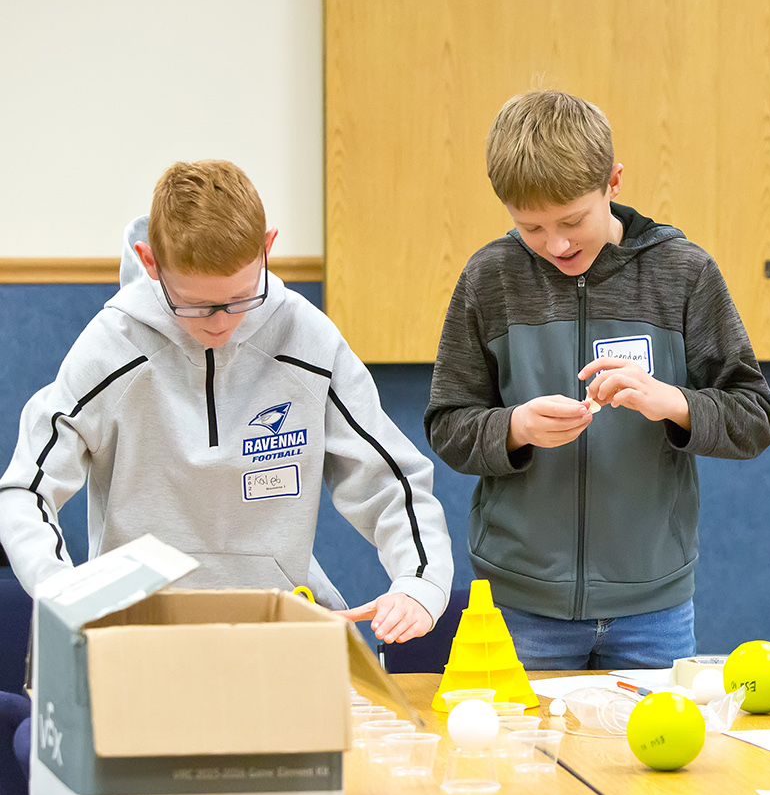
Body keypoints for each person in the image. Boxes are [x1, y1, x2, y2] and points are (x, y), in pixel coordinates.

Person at [0, 160, 451, 641]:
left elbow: (388, 479)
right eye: (195, 305)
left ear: (267, 248)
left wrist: (420, 582)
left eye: (240, 299)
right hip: (138, 640)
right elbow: (25, 492)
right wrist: (63, 596)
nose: (219, 322)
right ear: (150, 263)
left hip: (278, 634)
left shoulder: (308, 340)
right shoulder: (109, 349)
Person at [425, 88, 770, 670]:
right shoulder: (490, 278)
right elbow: (448, 425)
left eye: (572, 221)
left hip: (653, 608)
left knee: (651, 761)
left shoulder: (684, 273)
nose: (556, 244)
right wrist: (512, 428)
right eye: (531, 228)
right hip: (521, 604)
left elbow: (755, 418)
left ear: (613, 182)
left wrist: (677, 404)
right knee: (523, 762)